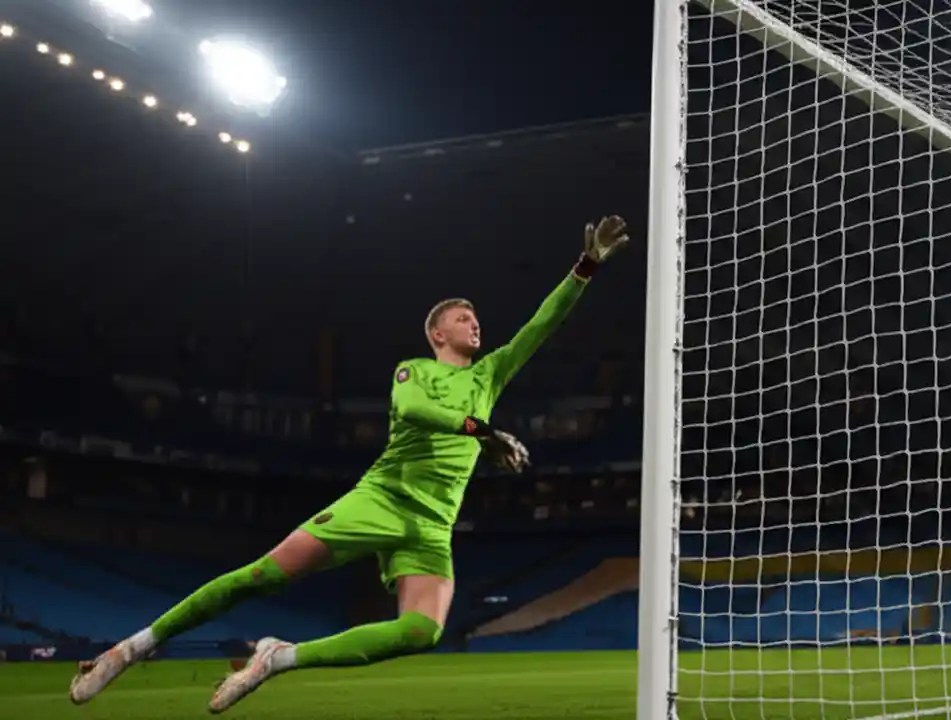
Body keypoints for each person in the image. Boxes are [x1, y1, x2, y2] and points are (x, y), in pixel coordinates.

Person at [69, 215, 630, 713]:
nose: (474, 324)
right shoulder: (414, 370)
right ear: (438, 333)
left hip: (432, 523)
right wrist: (480, 430)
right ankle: (129, 649)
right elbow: (417, 410)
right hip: (381, 499)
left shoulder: (491, 374)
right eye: (463, 318)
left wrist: (583, 268)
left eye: (476, 317)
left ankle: (278, 659)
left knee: (421, 632)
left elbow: (540, 324)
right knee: (262, 575)